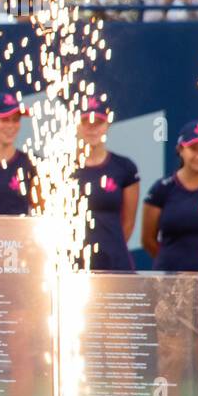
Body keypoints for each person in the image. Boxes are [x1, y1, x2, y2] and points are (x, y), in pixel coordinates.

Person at [142, 118, 198, 396]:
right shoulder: (162, 188)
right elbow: (147, 238)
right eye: (194, 147)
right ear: (181, 150)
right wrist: (175, 271)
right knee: (170, 360)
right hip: (170, 286)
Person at [74, 93, 139, 270]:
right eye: (86, 122)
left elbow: (128, 222)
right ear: (76, 125)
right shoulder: (60, 167)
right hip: (70, 261)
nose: (92, 128)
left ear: (107, 125)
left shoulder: (124, 167)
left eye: (98, 123)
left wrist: (111, 248)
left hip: (114, 261)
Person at [0, 91, 39, 216]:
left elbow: (42, 213)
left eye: (15, 120)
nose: (11, 126)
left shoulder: (32, 164)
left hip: (22, 234)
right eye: (4, 119)